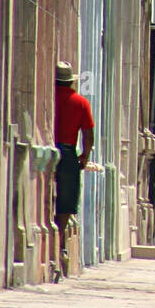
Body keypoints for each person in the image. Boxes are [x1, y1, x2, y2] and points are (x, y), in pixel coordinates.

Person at [52, 61, 94, 279]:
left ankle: (54, 245)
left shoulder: (49, 98)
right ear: (70, 81)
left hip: (49, 150)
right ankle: (59, 244)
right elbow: (88, 133)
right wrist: (85, 156)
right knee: (66, 202)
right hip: (68, 153)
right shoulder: (80, 102)